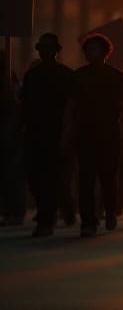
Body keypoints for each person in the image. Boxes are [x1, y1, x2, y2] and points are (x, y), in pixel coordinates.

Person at [62, 34, 123, 237]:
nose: (90, 52)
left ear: (105, 52)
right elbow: (71, 107)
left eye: (94, 49)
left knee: (108, 178)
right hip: (84, 134)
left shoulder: (116, 76)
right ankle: (88, 221)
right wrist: (66, 135)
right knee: (85, 179)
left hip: (109, 134)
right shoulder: (79, 75)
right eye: (88, 49)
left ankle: (110, 212)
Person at [19, 34, 74, 236]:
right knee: (33, 176)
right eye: (42, 48)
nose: (45, 51)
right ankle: (62, 206)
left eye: (49, 48)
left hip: (57, 133)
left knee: (51, 178)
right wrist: (19, 128)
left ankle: (46, 220)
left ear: (56, 51)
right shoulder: (32, 76)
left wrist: (68, 134)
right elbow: (24, 106)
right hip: (34, 133)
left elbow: (72, 106)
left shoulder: (67, 75)